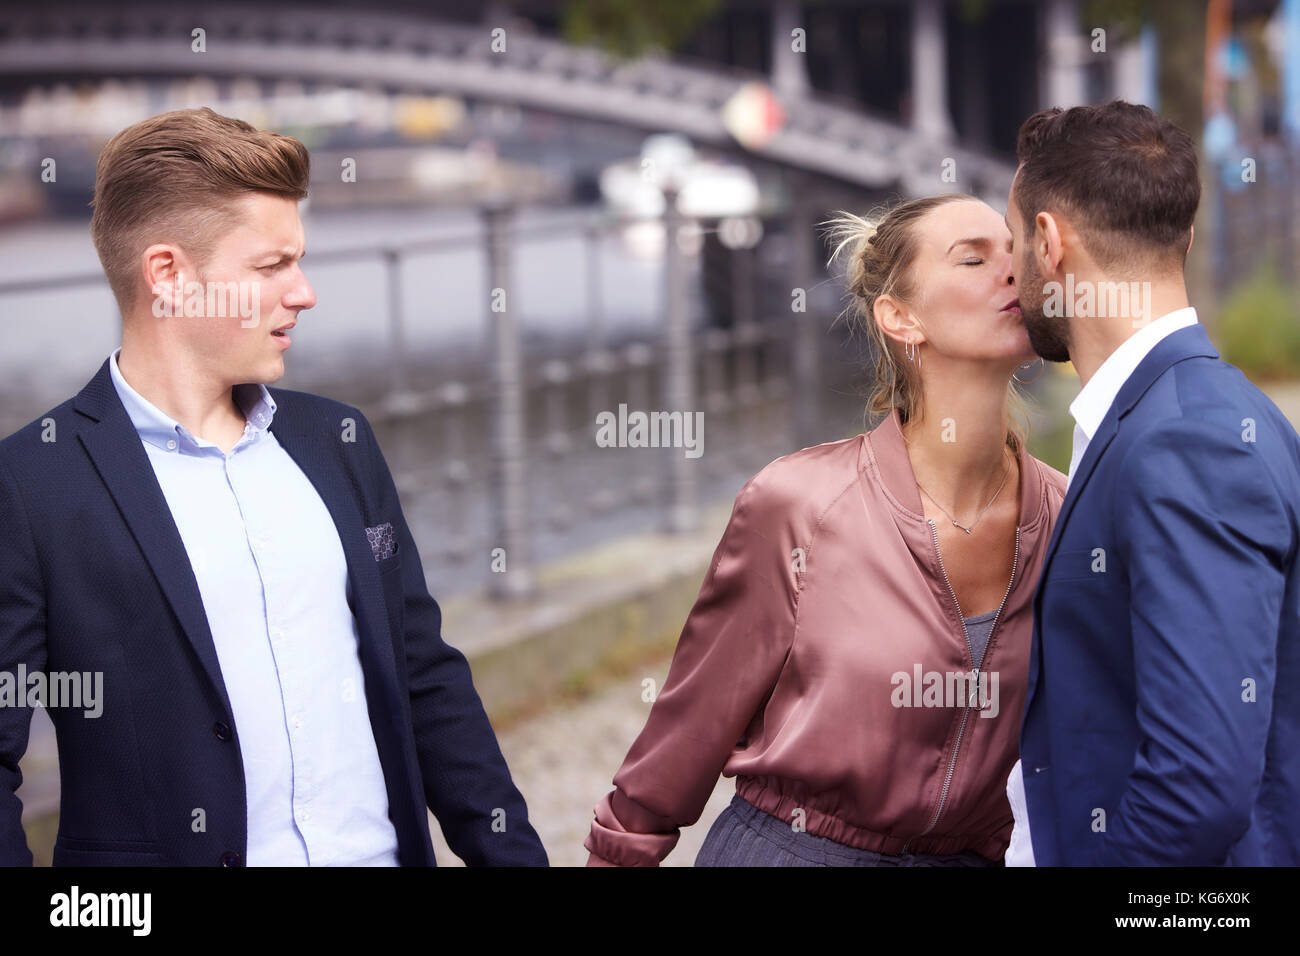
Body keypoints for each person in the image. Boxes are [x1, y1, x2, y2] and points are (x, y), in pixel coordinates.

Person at [0, 107, 547, 867]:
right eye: (270, 267)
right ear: (168, 275)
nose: (304, 292)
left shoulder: (339, 442)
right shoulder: (31, 485)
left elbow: (425, 677)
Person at [584, 193, 1068, 866]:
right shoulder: (800, 505)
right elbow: (689, 726)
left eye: (1016, 254)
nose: (1012, 273)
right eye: (973, 259)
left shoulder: (1068, 518)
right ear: (900, 318)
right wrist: (618, 851)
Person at [1005, 99, 1300, 866]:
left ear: (1048, 242)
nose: (1009, 270)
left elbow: (1198, 787)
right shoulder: (1197, 414)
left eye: (1012, 241)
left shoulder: (1185, 441)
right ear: (1187, 237)